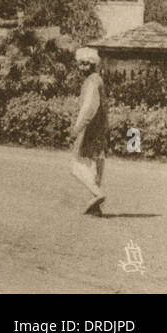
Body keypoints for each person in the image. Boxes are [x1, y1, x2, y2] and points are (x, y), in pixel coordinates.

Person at [70, 47, 108, 215]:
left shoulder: (92, 81)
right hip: (101, 129)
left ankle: (98, 194)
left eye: (86, 64)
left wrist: (77, 128)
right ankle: (96, 208)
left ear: (93, 64)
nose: (83, 68)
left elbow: (89, 108)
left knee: (76, 166)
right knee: (95, 166)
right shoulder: (99, 80)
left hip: (91, 129)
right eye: (81, 64)